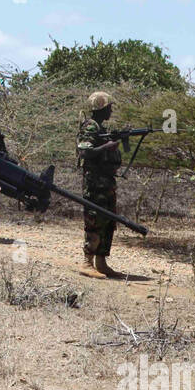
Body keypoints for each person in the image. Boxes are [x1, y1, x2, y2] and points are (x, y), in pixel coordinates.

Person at [76, 91, 124, 275]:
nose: (111, 111)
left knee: (108, 220)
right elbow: (85, 152)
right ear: (102, 108)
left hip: (106, 182)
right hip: (94, 182)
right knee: (94, 219)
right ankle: (87, 262)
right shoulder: (90, 127)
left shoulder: (101, 128)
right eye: (109, 107)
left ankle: (101, 262)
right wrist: (108, 146)